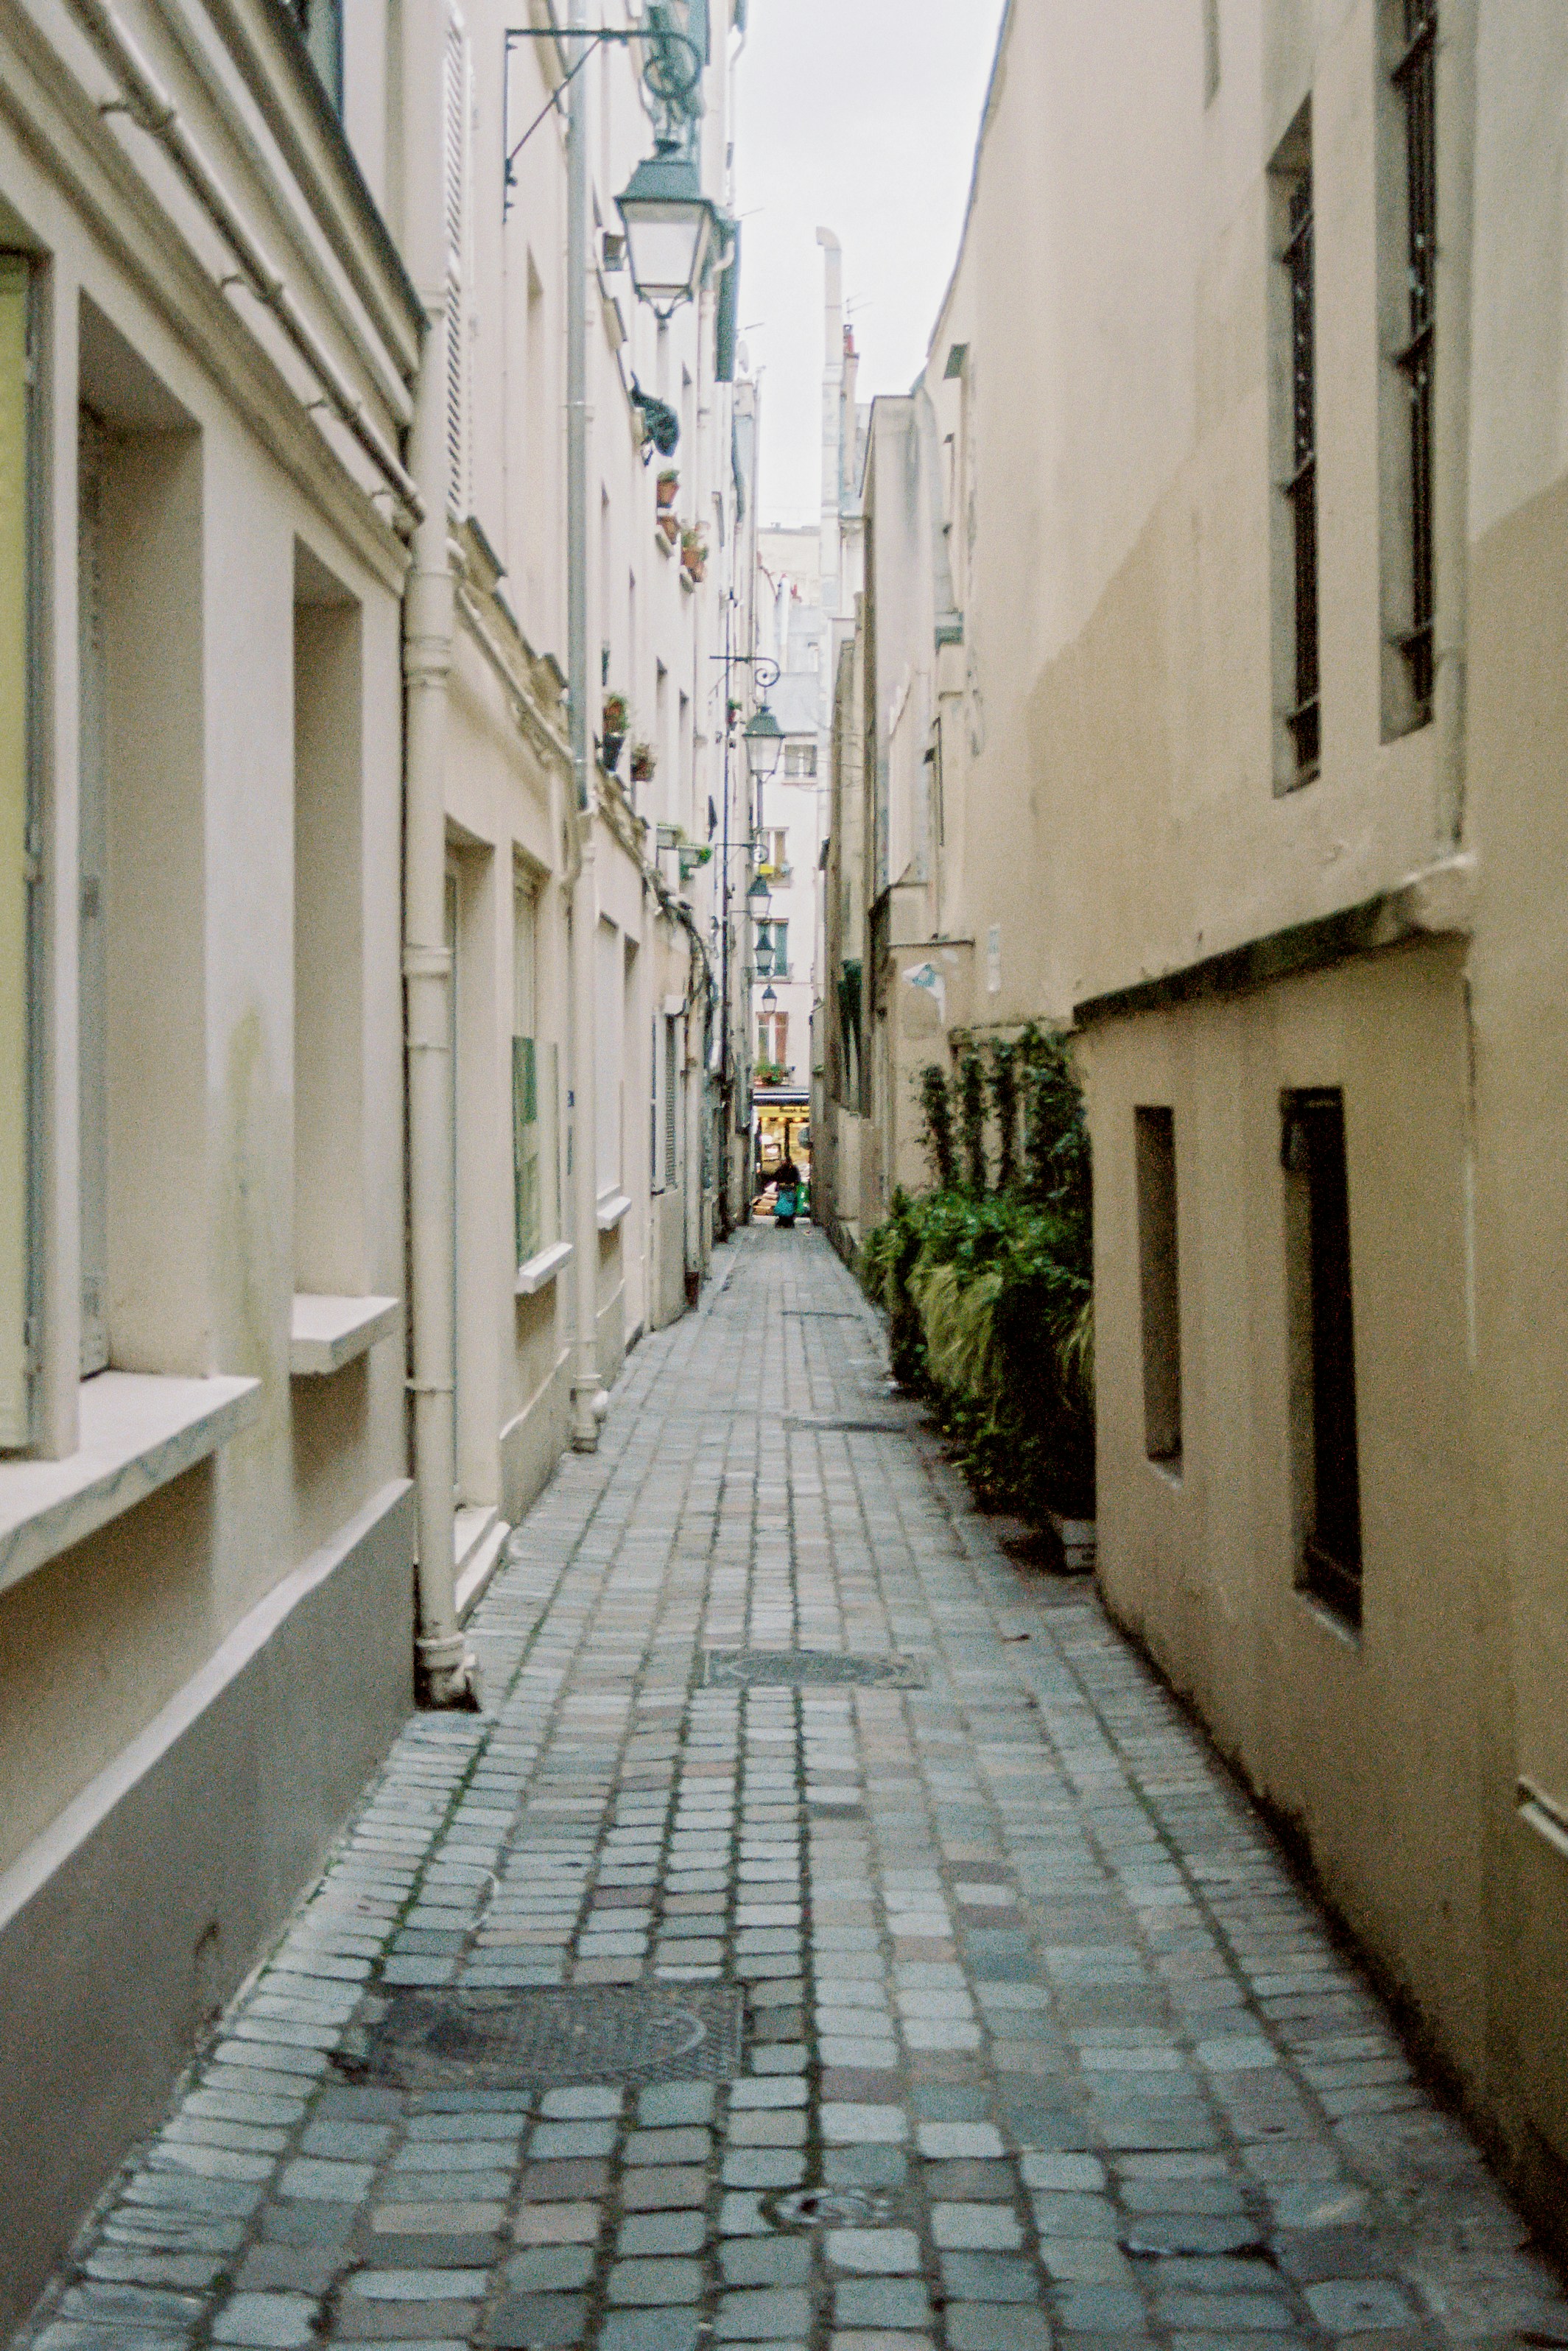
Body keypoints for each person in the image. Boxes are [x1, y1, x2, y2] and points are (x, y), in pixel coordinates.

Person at [773, 1151, 800, 1228]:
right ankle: (789, 1221)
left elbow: (775, 1177)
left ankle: (783, 1221)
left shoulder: (781, 1168)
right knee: (790, 1204)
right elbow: (797, 1179)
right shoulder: (793, 1168)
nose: (783, 1162)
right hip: (790, 1189)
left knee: (783, 1204)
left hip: (784, 1189)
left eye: (783, 1160)